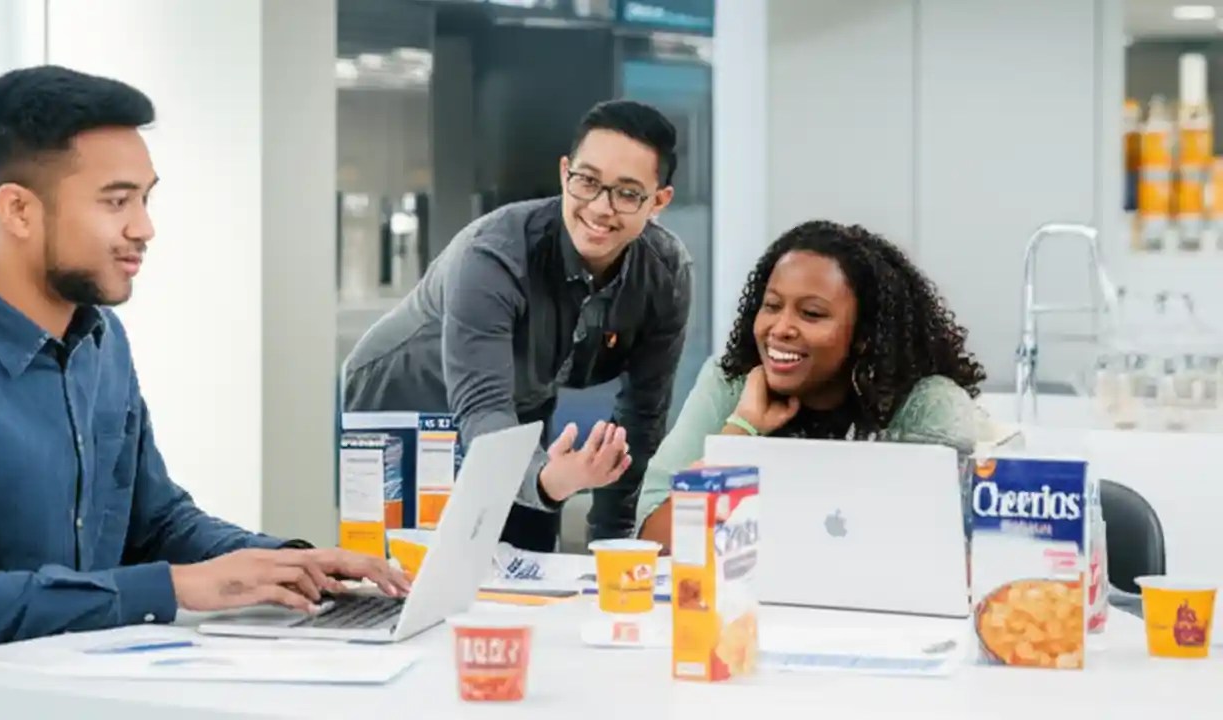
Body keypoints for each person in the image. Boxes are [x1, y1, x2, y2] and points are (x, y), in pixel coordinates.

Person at [0, 65, 410, 652]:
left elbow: (157, 524)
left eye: (145, 197)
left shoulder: (100, 341)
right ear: (17, 210)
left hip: (91, 680)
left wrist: (290, 564)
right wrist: (172, 588)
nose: (145, 227)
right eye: (117, 201)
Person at [344, 100, 693, 552]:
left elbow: (642, 418)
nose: (600, 208)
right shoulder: (495, 254)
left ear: (659, 201)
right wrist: (546, 481)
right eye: (587, 181)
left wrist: (611, 547)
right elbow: (482, 406)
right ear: (565, 172)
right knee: (410, 576)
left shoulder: (664, 273)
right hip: (408, 399)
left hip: (518, 406)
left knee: (528, 567)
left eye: (627, 193)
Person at [637, 220, 988, 549]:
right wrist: (741, 431)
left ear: (864, 337)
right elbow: (654, 541)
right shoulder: (732, 382)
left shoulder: (926, 404)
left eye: (812, 314)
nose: (781, 328)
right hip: (750, 604)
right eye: (772, 306)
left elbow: (953, 551)